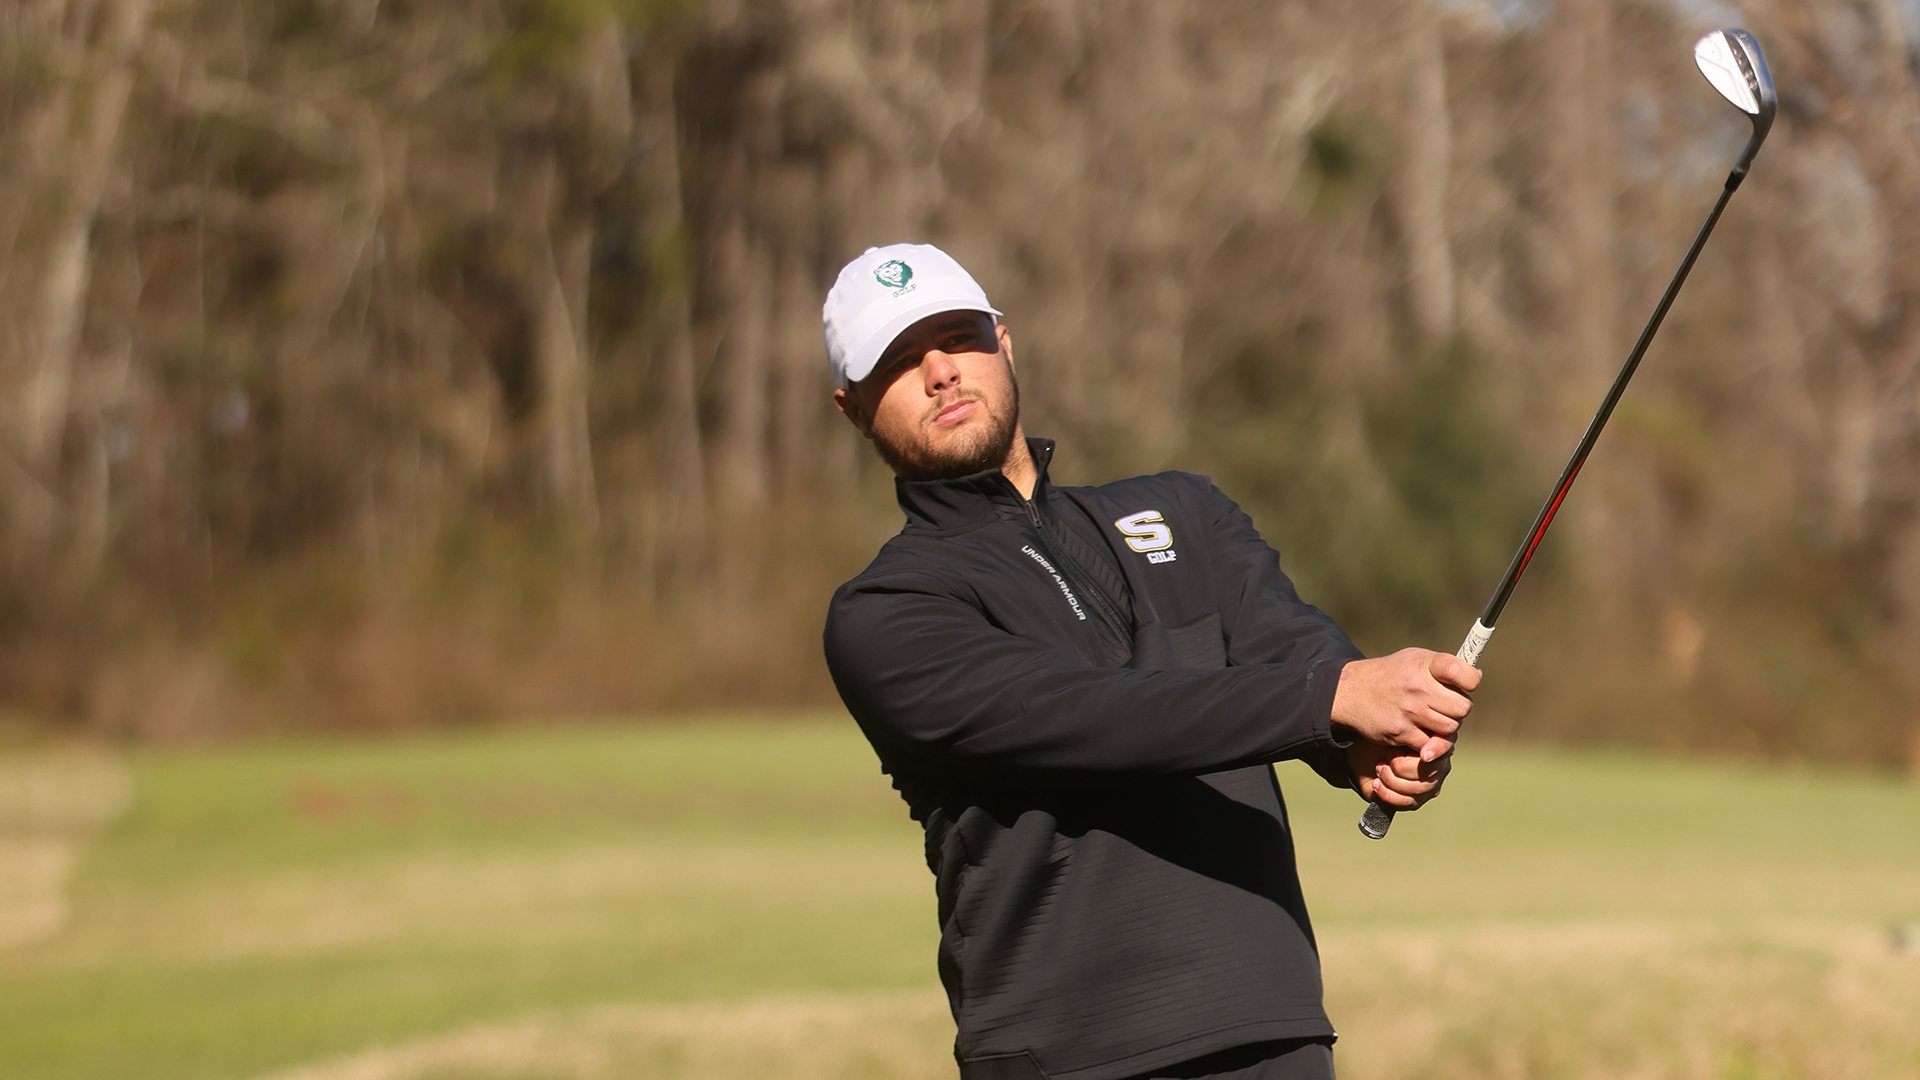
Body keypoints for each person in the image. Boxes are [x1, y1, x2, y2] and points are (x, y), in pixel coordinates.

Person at [821, 243, 1477, 1080]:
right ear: (853, 407)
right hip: (1068, 1057)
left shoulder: (1182, 511)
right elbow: (1091, 717)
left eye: (957, 336)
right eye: (900, 360)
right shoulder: (886, 610)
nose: (942, 371)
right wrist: (1336, 697)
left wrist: (1368, 746)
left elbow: (1291, 645)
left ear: (1005, 341)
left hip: (1271, 1032)